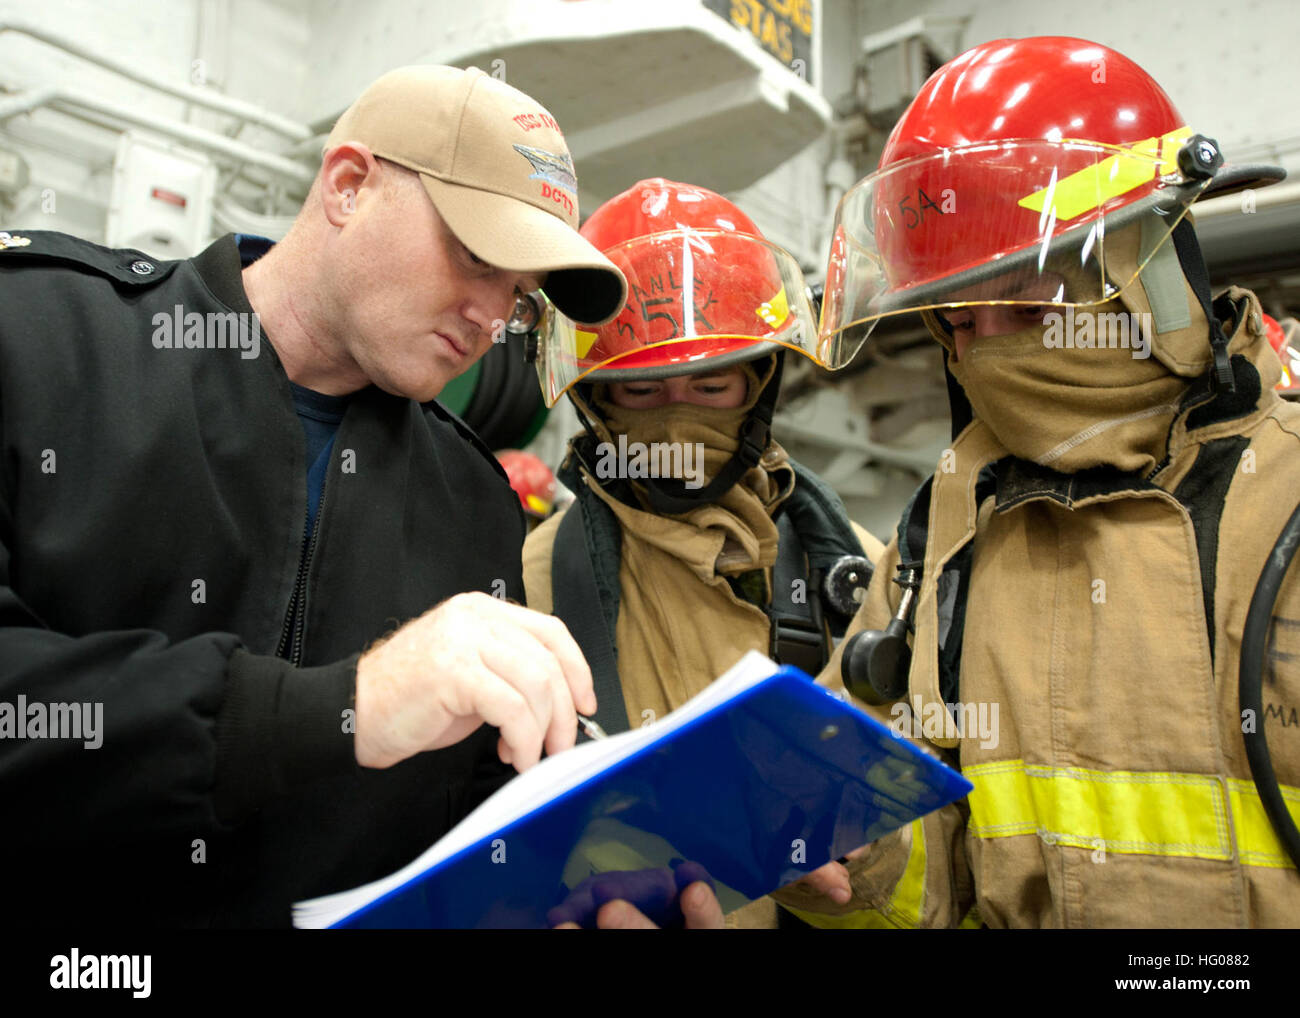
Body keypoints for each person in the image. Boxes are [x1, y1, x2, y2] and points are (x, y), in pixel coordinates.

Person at [0, 64, 648, 928]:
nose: (491, 318)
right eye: (477, 256)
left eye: (520, 298)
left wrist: (579, 887)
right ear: (348, 186)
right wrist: (346, 709)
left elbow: (463, 825)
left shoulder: (472, 502)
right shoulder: (41, 339)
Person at [783, 36, 1300, 927]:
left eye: (1026, 303)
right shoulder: (941, 532)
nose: (989, 347)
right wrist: (850, 861)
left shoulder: (1286, 495)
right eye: (959, 317)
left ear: (1153, 271)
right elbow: (919, 880)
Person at [522, 177, 885, 928]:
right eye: (642, 392)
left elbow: (937, 852)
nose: (678, 415)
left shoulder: (855, 566)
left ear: (759, 383)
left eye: (711, 384)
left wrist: (865, 854)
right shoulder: (535, 578)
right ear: (594, 398)